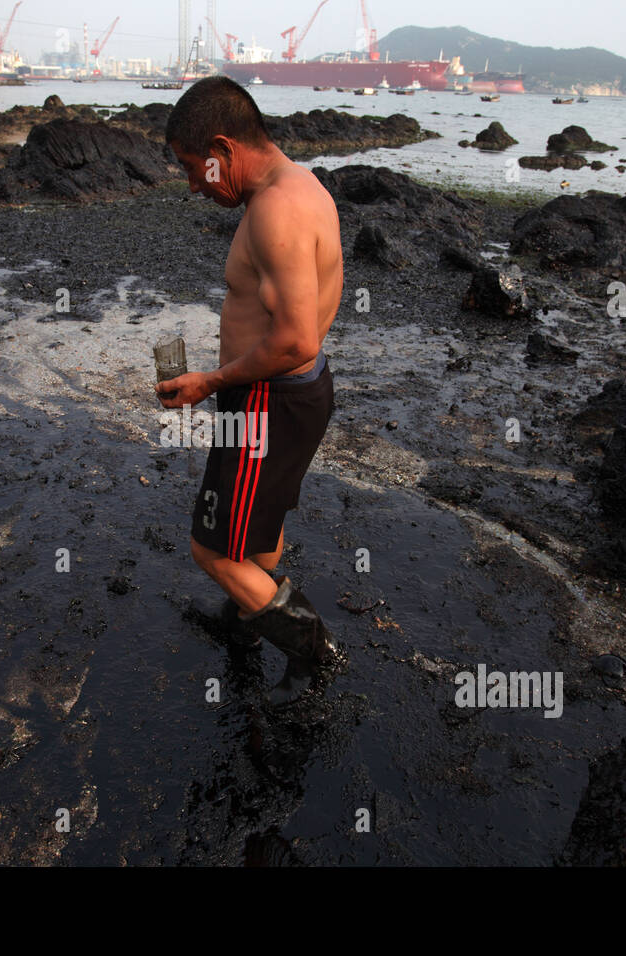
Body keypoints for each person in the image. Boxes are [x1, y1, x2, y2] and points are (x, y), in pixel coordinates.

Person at [156, 76, 343, 706]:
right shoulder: (302, 186)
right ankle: (245, 620)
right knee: (258, 535)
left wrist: (211, 380)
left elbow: (296, 340)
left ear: (221, 147)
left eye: (193, 167)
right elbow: (315, 314)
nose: (192, 184)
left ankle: (314, 652)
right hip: (293, 398)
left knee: (211, 550)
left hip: (270, 401)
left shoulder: (276, 212)